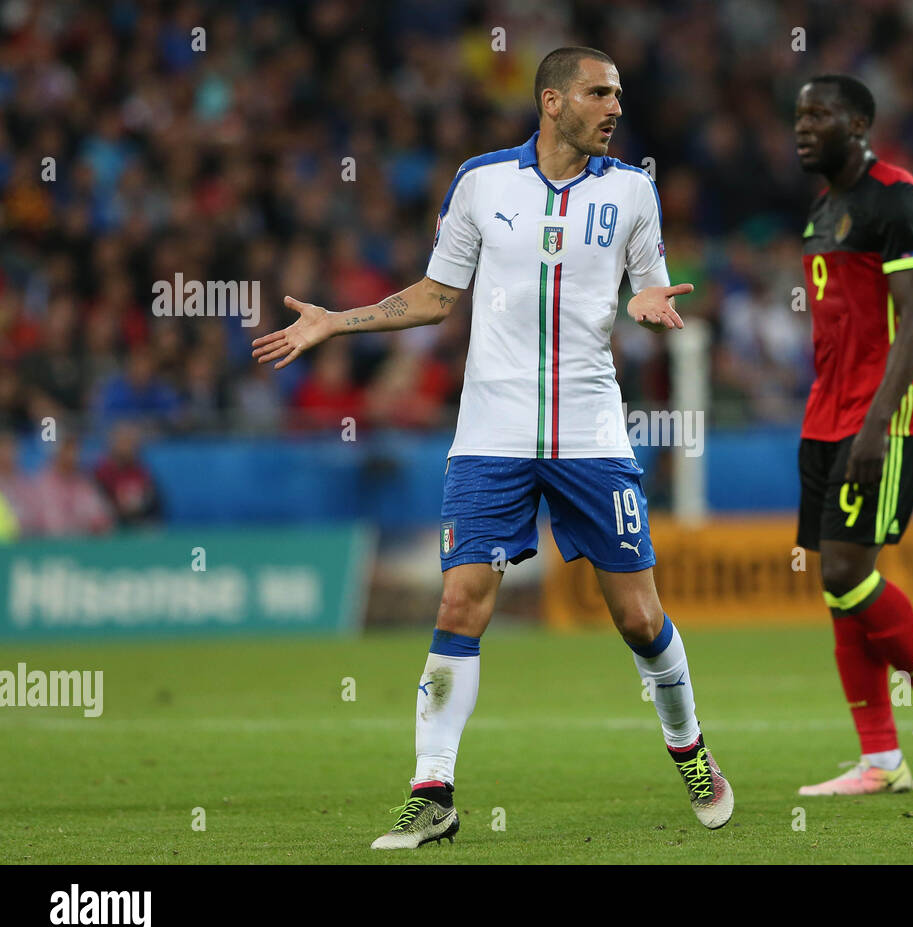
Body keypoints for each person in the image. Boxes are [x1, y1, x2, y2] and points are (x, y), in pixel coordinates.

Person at [252, 47, 732, 848]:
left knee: (640, 618)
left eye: (618, 94)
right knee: (460, 602)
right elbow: (439, 296)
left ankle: (689, 749)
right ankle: (432, 790)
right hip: (490, 435)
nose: (614, 107)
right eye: (597, 93)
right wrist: (338, 320)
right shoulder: (482, 183)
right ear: (551, 100)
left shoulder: (633, 192)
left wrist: (648, 300)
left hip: (590, 434)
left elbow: (649, 283)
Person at [792, 75, 913, 796]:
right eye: (798, 115)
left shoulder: (896, 199)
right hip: (825, 415)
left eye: (819, 114)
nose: (803, 127)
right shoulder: (825, 209)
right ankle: (878, 757)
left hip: (886, 418)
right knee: (838, 588)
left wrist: (874, 427)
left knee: (845, 572)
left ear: (860, 122)